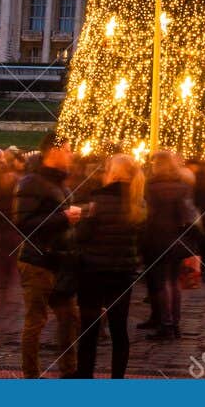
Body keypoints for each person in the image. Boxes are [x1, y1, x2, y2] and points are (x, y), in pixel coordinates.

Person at [12, 139, 81, 377]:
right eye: (68, 149)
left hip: (60, 262)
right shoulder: (31, 182)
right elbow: (23, 223)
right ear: (55, 150)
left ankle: (69, 371)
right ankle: (31, 374)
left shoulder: (61, 184)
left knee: (70, 319)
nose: (72, 154)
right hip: (37, 262)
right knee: (36, 321)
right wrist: (63, 218)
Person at [73, 154, 144, 378]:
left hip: (93, 271)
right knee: (119, 329)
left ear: (112, 173)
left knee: (89, 329)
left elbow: (82, 236)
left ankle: (85, 375)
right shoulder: (138, 203)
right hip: (123, 273)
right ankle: (117, 378)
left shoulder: (98, 202)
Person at [141, 150, 199, 342]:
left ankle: (165, 323)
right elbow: (187, 213)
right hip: (177, 238)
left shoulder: (150, 186)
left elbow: (146, 212)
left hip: (156, 237)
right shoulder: (182, 186)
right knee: (174, 281)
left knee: (161, 282)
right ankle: (174, 323)